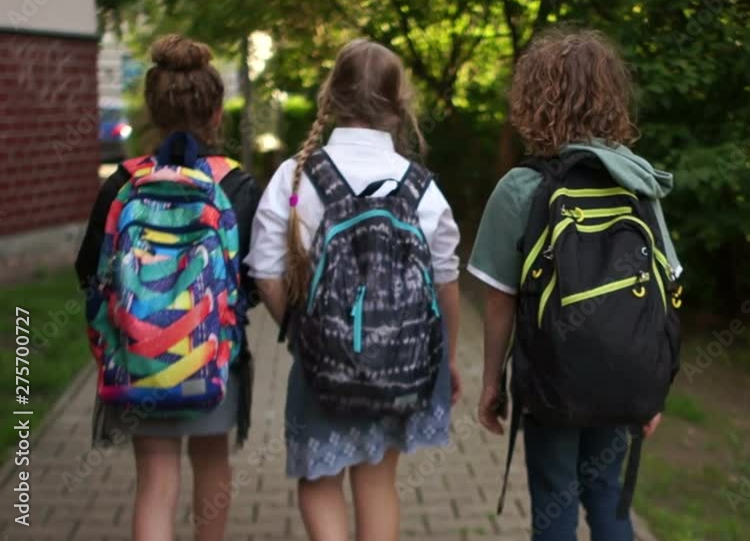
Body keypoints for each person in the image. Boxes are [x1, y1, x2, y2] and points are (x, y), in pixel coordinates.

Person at [468, 29, 683, 541]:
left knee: (555, 506)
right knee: (609, 503)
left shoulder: (521, 187)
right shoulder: (639, 183)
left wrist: (492, 384)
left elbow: (499, 302)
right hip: (622, 379)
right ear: (611, 100)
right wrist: (654, 389)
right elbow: (667, 289)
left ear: (532, 102)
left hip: (551, 382)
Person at [247, 39, 461, 541]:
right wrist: (445, 355)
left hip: (324, 364)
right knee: (379, 482)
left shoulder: (297, 177)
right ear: (399, 103)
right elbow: (445, 278)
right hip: (400, 366)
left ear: (331, 94)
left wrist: (303, 333)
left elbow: (264, 270)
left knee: (320, 479)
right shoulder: (421, 186)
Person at [75, 34, 262, 541]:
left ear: (152, 110)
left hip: (139, 358)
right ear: (218, 112)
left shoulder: (122, 183)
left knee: (155, 482)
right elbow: (253, 280)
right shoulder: (237, 185)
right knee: (211, 467)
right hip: (212, 357)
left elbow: (88, 272)